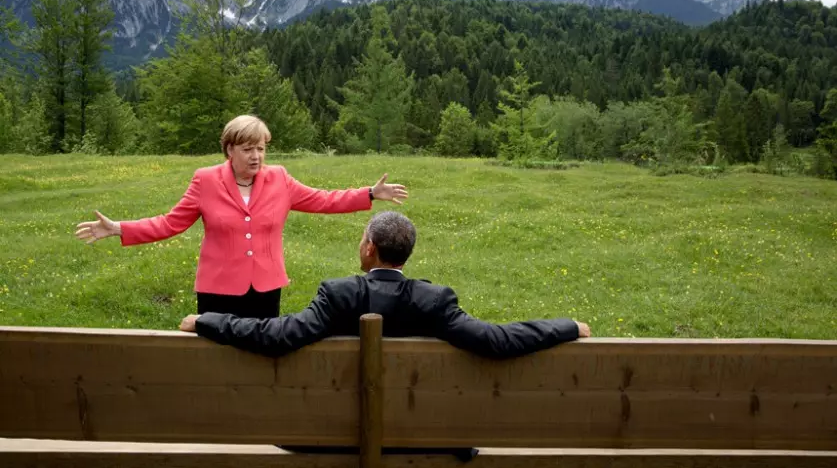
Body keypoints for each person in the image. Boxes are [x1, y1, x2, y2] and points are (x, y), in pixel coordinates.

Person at [74, 115, 408, 319]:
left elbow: (322, 199)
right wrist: (119, 228)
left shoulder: (279, 178)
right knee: (217, 358)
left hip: (265, 287)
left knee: (260, 353)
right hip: (218, 288)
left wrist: (368, 193)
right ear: (229, 150)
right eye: (248, 149)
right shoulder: (205, 181)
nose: (256, 156)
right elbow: (170, 222)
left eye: (261, 148)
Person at [179, 210, 590, 359]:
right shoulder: (434, 302)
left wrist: (207, 320)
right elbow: (498, 340)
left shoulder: (339, 296)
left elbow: (275, 335)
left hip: (329, 438)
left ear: (369, 249)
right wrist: (569, 327)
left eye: (362, 239)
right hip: (420, 434)